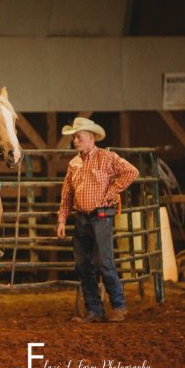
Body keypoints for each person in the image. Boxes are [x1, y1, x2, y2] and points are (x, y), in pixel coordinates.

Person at [56, 118, 138, 322]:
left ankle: (118, 305)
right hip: (82, 217)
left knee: (103, 261)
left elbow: (131, 172)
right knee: (83, 264)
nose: (75, 140)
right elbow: (67, 195)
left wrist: (111, 192)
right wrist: (62, 220)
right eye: (74, 137)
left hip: (101, 216)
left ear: (91, 138)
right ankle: (95, 309)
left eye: (79, 136)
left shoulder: (107, 158)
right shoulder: (73, 164)